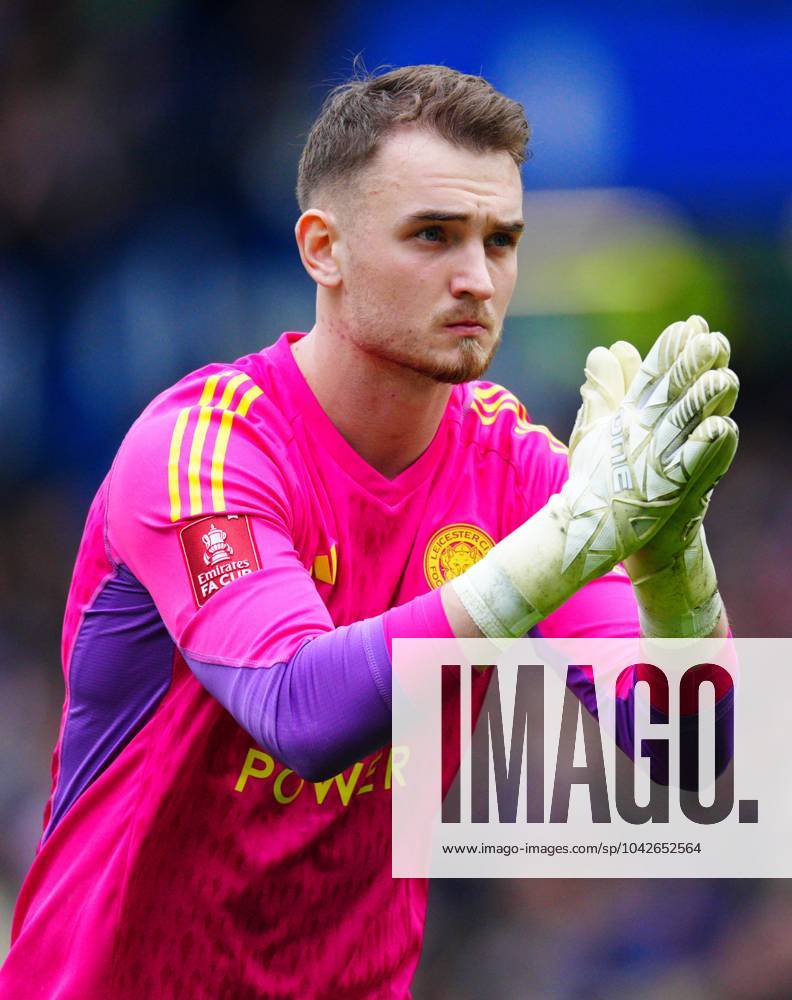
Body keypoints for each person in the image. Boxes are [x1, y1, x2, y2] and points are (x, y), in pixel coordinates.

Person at [0, 65, 738, 998]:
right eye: (432, 235)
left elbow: (697, 758)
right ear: (323, 248)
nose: (476, 278)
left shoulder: (522, 475)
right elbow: (301, 710)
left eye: (500, 241)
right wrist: (572, 538)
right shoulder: (200, 451)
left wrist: (670, 567)